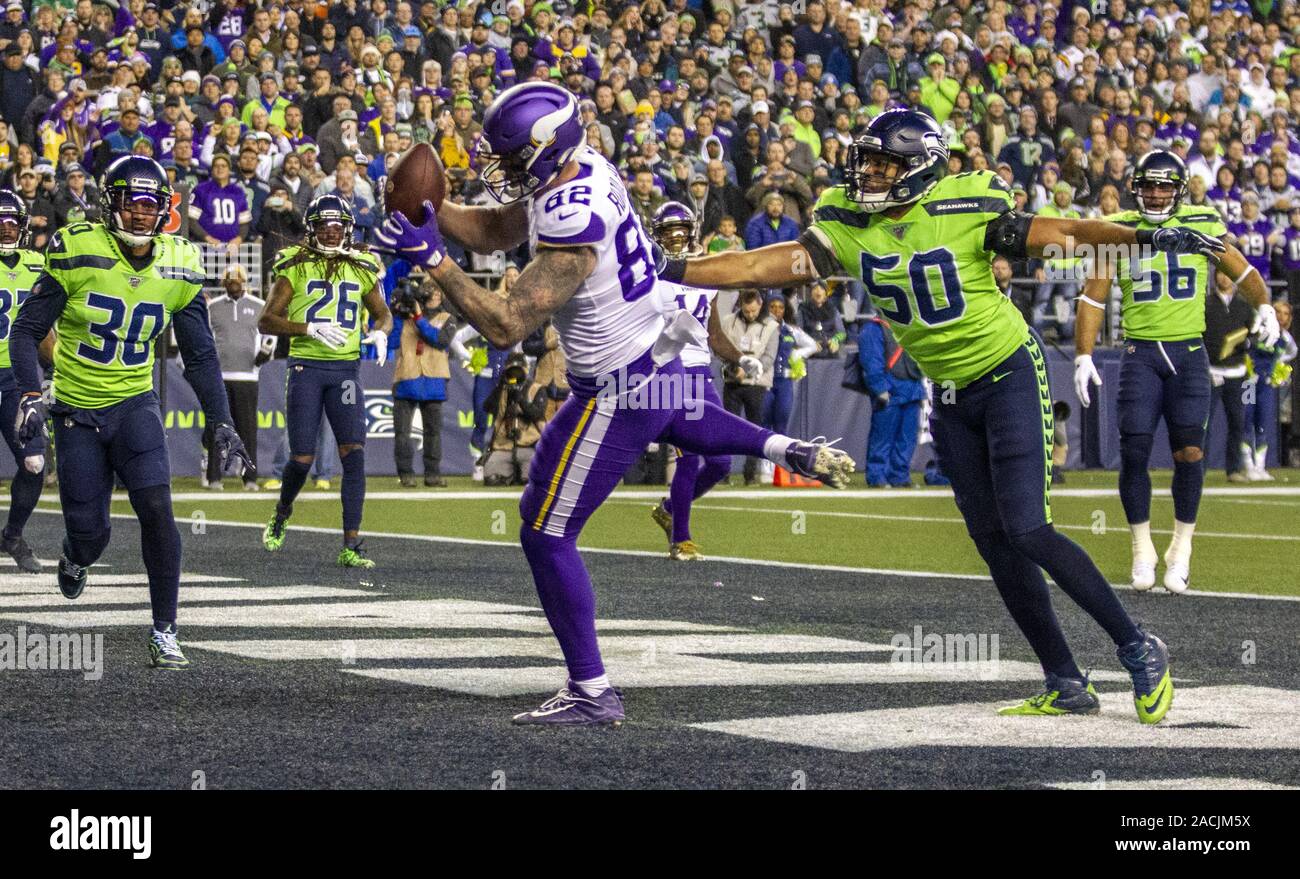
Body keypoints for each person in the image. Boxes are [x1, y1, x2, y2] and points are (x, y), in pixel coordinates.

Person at [658, 109, 1226, 725]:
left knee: (1028, 529)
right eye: (866, 160)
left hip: (1007, 371)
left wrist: (1142, 237)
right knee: (993, 544)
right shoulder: (850, 223)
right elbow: (759, 265)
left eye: (884, 163)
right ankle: (1064, 678)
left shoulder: (966, 205)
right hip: (951, 392)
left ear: (920, 166)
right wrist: (675, 269)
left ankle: (1138, 645)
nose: (869, 173)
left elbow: (1061, 230)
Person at [375, 82, 852, 726]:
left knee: (544, 530)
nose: (506, 170)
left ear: (547, 151)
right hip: (652, 363)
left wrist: (433, 258)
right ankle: (783, 446)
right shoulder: (585, 167)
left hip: (619, 387)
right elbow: (497, 227)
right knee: (688, 423)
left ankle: (592, 690)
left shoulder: (574, 218)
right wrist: (439, 215)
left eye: (515, 158)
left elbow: (507, 324)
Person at [9, 156, 251, 670]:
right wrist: (32, 395)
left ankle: (165, 628)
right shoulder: (77, 247)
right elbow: (25, 331)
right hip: (76, 409)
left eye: (151, 203)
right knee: (90, 533)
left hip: (136, 405)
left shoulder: (179, 262)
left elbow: (201, 354)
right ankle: (76, 556)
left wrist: (222, 418)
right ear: (108, 203)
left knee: (158, 512)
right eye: (131, 201)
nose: (142, 214)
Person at [1076, 150, 1277, 594]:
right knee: (1134, 452)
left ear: (1180, 189)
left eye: (1164, 185)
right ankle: (1141, 548)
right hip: (1139, 352)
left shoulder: (1203, 222)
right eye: (1148, 185)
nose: (1155, 193)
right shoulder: (1119, 230)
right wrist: (1083, 353)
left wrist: (1263, 303)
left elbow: (1240, 268)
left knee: (1191, 453)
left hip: (1188, 354)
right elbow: (1093, 297)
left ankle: (1181, 547)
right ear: (1136, 187)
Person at [256, 194, 392, 567]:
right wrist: (308, 328)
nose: (331, 233)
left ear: (347, 229)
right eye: (324, 225)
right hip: (306, 368)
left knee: (355, 455)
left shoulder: (362, 266)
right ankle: (283, 511)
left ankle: (351, 545)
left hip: (346, 370)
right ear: (311, 228)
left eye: (337, 226)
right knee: (301, 458)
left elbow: (383, 314)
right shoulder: (295, 265)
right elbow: (266, 320)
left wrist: (381, 332)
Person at [646, 202, 762, 561]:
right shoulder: (649, 274)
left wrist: (739, 356)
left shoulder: (705, 274)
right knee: (687, 456)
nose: (677, 239)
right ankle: (680, 537)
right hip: (669, 372)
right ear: (657, 235)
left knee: (721, 464)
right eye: (669, 232)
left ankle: (668, 508)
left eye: (682, 231)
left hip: (701, 373)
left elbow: (713, 334)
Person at [0, 190, 48, 572]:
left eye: (11, 222)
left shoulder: (38, 264)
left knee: (34, 463)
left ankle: (13, 535)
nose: (5, 229)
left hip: (17, 379)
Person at [202, 263, 270, 491]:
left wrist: (265, 352)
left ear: (244, 283)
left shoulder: (259, 306)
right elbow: (205, 337)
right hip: (220, 376)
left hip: (248, 376)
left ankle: (250, 478)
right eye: (230, 282)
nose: (234, 285)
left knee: (248, 430)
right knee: (217, 429)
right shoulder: (213, 307)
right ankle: (214, 478)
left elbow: (269, 333)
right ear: (224, 284)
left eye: (237, 281)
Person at [388, 267, 452, 488]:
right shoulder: (405, 317)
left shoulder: (447, 318)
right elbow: (392, 342)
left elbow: (440, 340)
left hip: (434, 379)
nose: (434, 294)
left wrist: (418, 318)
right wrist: (397, 315)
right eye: (430, 290)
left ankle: (432, 474)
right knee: (402, 432)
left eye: (437, 291)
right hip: (407, 377)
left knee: (433, 432)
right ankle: (405, 473)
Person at [1204, 271, 1259, 484]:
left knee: (1237, 421)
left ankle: (1234, 469)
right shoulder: (1206, 305)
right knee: (1204, 423)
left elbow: (1253, 335)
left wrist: (1246, 344)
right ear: (1215, 277)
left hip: (1237, 371)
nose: (1224, 278)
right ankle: (1199, 468)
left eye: (1228, 275)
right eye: (1221, 274)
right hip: (1212, 371)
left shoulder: (1244, 307)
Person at [858, 312, 925, 487]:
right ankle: (877, 475)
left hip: (912, 387)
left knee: (907, 438)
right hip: (890, 389)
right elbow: (871, 361)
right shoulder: (874, 328)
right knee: (883, 437)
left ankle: (899, 475)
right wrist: (880, 388)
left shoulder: (910, 326)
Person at [720, 289, 779, 485]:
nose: (751, 315)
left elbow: (769, 358)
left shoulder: (771, 326)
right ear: (741, 307)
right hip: (733, 382)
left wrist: (749, 371)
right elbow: (721, 349)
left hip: (757, 384)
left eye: (754, 311)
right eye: (747, 311)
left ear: (760, 305)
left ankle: (750, 474)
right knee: (727, 429)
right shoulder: (729, 321)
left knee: (755, 430)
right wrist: (733, 368)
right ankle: (723, 472)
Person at [1245, 299, 1297, 480]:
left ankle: (1260, 466)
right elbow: (1245, 347)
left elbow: (1292, 352)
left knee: (1263, 422)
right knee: (1246, 419)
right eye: (1278, 312)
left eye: (1285, 313)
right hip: (1249, 383)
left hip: (1265, 385)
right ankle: (1247, 465)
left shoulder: (1285, 338)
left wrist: (1279, 367)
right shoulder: (1259, 330)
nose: (1281, 317)